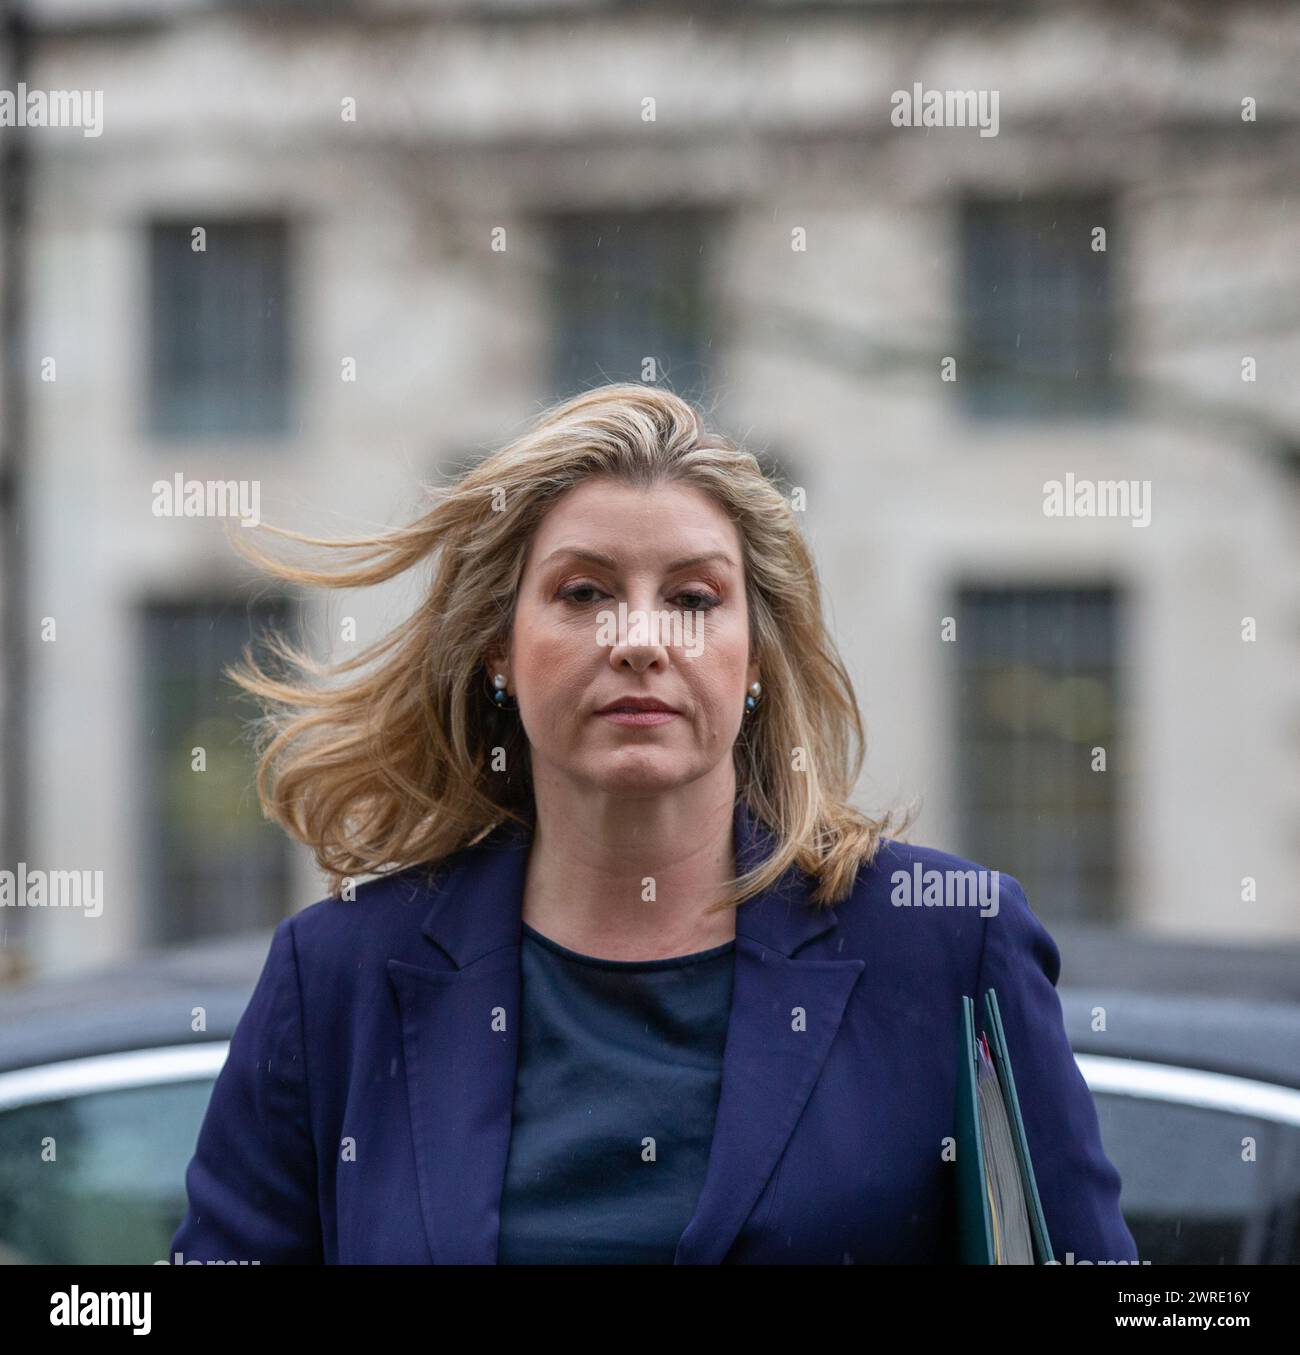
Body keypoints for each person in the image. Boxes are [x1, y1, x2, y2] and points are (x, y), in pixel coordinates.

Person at [169, 383, 1138, 1264]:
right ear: (499, 650)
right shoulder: (337, 978)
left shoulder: (947, 944)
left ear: (753, 655)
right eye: (583, 592)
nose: (639, 639)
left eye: (692, 597)